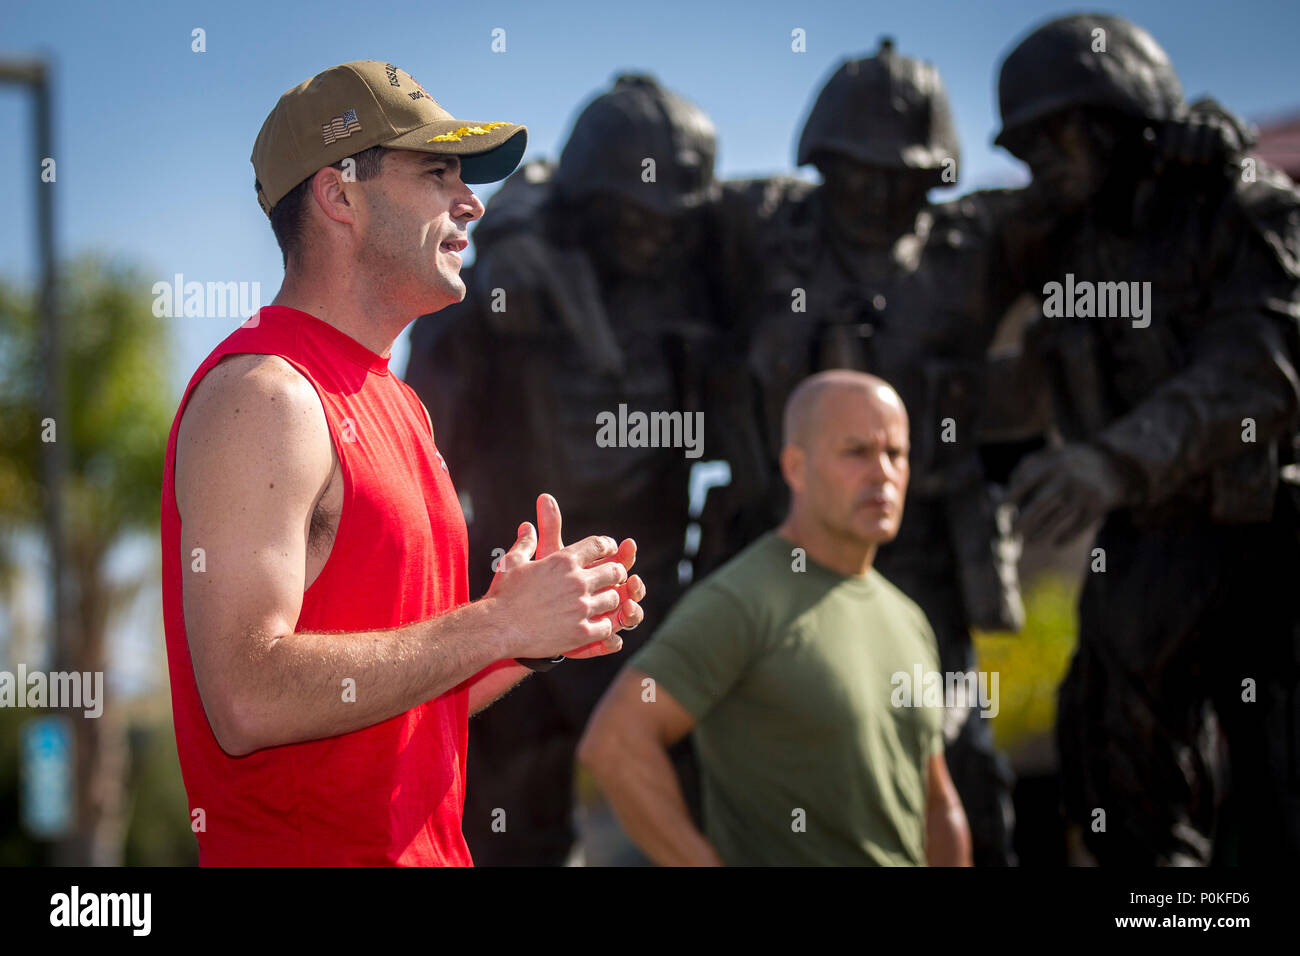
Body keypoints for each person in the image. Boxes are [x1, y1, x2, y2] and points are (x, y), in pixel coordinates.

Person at [159, 60, 646, 866]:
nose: (473, 204)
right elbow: (246, 696)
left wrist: (526, 639)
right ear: (339, 194)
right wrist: (495, 623)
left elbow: (395, 703)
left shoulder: (400, 403)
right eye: (436, 174)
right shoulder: (264, 395)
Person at [710, 39, 1028, 866]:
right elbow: (624, 198)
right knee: (777, 762)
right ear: (823, 161)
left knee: (957, 765)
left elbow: (1102, 201)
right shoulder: (761, 228)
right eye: (861, 169)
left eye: (905, 173)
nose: (881, 191)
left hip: (922, 558)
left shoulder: (973, 243)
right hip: (782, 555)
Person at [993, 15, 1300, 865]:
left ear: (1116, 119)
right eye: (1023, 148)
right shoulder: (1061, 237)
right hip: (1146, 542)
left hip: (1265, 530)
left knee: (1277, 773)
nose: (1038, 165)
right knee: (1112, 759)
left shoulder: (1241, 203)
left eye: (1053, 136)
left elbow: (1260, 369)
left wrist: (1114, 459)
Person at [405, 74, 724, 865]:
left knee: (696, 817)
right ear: (587, 201)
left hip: (648, 599)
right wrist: (507, 239)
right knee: (506, 830)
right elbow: (423, 443)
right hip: (508, 593)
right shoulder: (505, 278)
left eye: (668, 221)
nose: (652, 236)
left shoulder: (699, 278)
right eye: (631, 215)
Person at [578, 370, 972, 866]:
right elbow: (615, 745)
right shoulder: (740, 599)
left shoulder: (909, 617)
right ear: (795, 467)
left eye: (895, 454)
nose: (883, 473)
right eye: (856, 451)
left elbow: (937, 802)